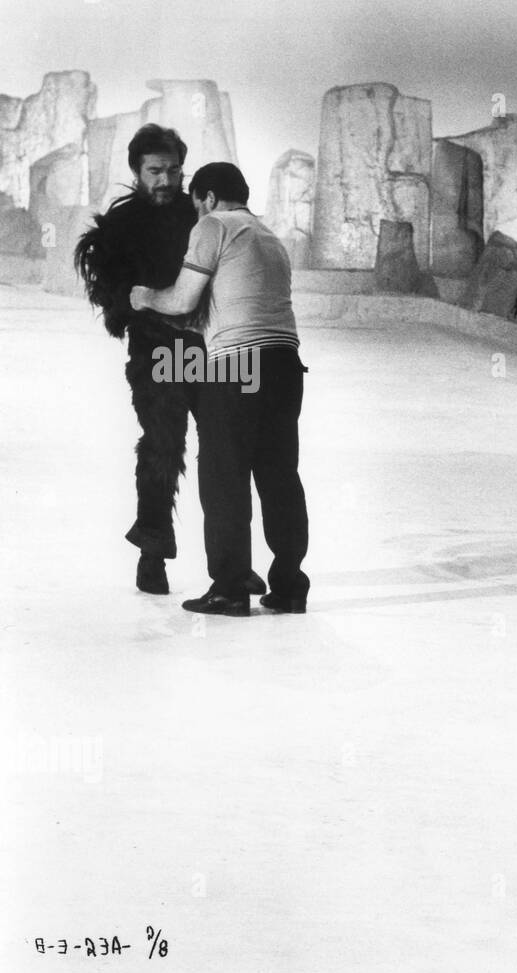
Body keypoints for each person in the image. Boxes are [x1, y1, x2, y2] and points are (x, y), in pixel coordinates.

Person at [73, 125, 265, 598]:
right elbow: (115, 296)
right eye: (155, 171)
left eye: (174, 170)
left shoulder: (201, 215)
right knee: (162, 444)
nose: (166, 180)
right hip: (158, 351)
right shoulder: (120, 228)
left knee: (227, 447)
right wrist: (142, 310)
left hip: (211, 347)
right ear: (137, 171)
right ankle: (153, 552)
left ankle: (233, 565)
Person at [129, 162, 309, 617]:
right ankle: (288, 586)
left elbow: (184, 300)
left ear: (208, 197)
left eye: (196, 204)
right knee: (279, 476)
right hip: (286, 364)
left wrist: (145, 296)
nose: (195, 214)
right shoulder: (271, 238)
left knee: (223, 475)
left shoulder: (214, 224)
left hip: (237, 364)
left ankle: (229, 589)